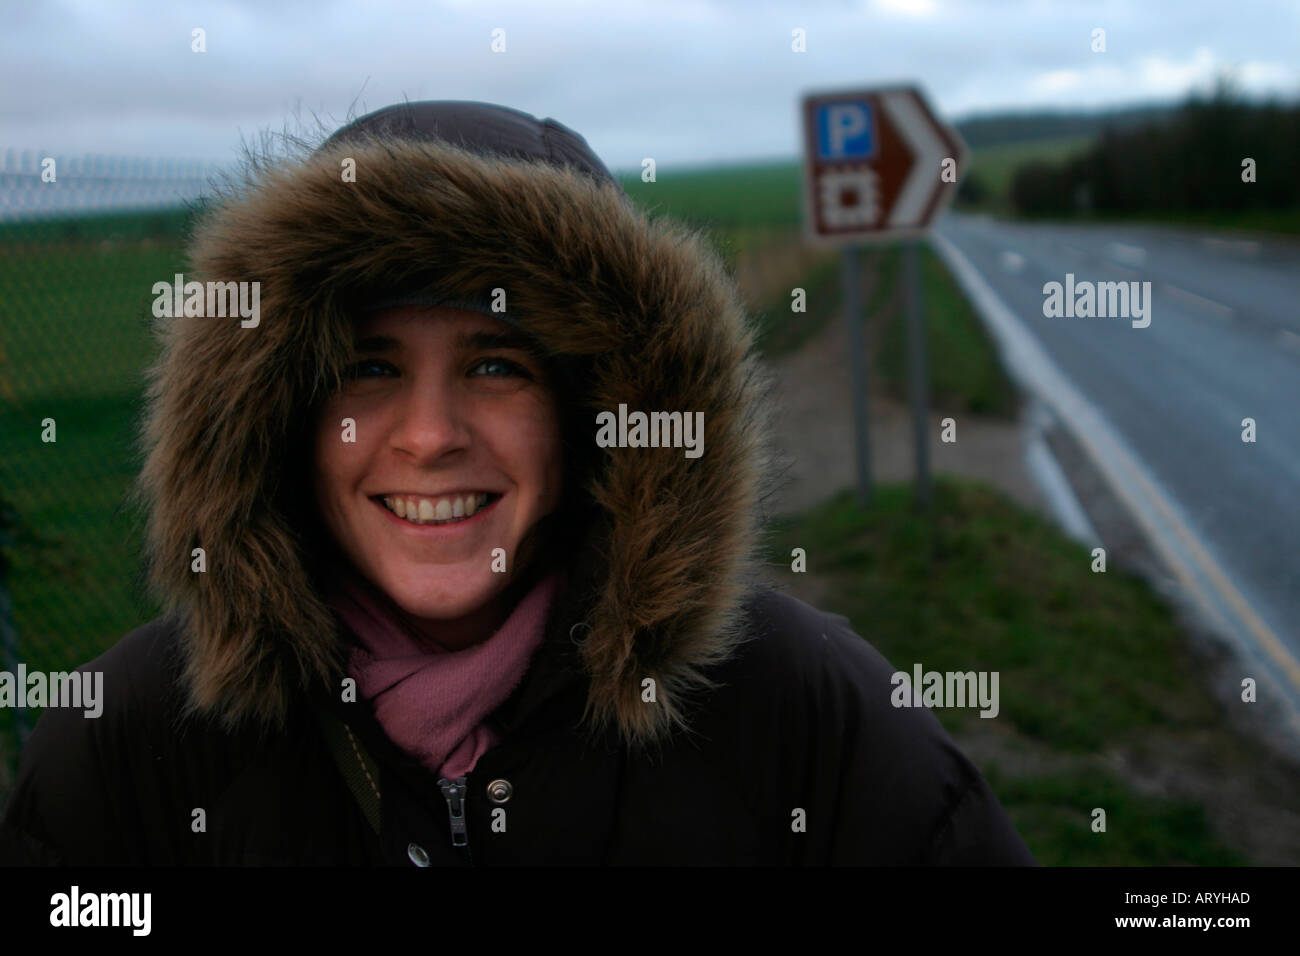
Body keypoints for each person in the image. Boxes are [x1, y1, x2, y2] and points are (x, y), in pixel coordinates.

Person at [0, 101, 1034, 865]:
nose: (430, 436)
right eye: (370, 366)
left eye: (498, 364)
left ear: (593, 409)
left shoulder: (799, 707)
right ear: (284, 412)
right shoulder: (129, 741)